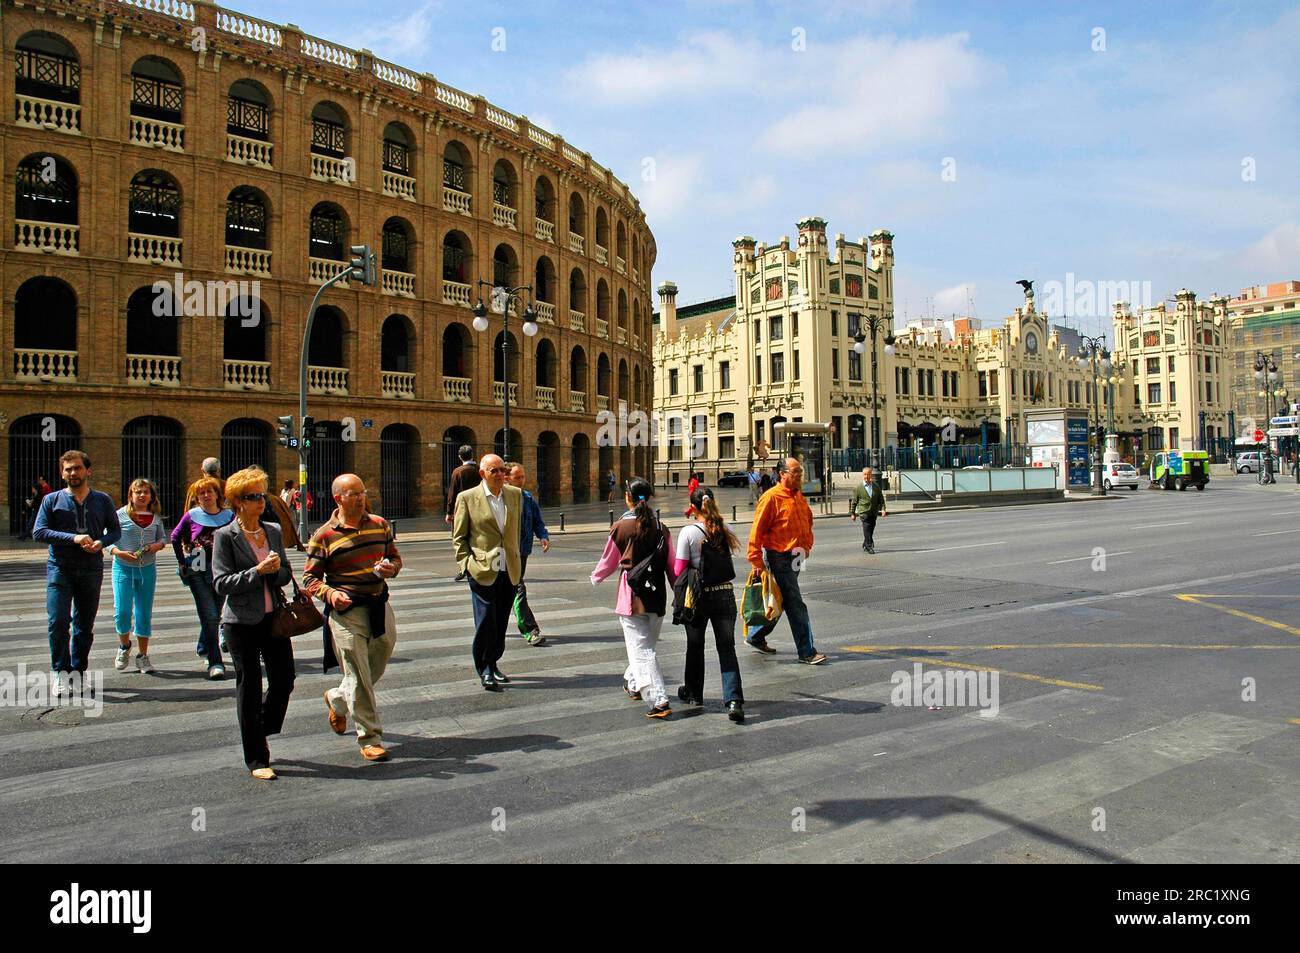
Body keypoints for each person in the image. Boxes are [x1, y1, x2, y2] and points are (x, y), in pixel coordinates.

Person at [303, 473, 401, 762]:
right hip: (347, 611)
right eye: (354, 494)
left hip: (378, 605)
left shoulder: (380, 525)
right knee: (358, 673)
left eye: (362, 492)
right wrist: (331, 595)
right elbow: (310, 578)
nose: (361, 498)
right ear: (339, 499)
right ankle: (370, 737)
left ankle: (336, 697)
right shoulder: (324, 535)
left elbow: (395, 558)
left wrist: (390, 569)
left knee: (378, 660)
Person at [212, 466, 295, 781]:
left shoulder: (272, 530)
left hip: (273, 617)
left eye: (262, 495)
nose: (260, 501)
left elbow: (286, 573)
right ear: (237, 502)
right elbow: (221, 583)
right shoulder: (225, 537)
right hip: (241, 623)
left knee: (285, 679)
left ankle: (261, 727)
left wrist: (274, 572)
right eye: (252, 497)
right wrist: (257, 572)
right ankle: (257, 758)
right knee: (250, 687)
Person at [33, 451, 121, 697]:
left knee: (84, 624)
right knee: (58, 620)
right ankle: (60, 672)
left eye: (77, 468)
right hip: (60, 567)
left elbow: (115, 531)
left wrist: (101, 543)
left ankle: (78, 672)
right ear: (62, 473)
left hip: (91, 568)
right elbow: (39, 532)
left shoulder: (102, 500)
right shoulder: (52, 500)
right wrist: (74, 538)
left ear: (88, 471)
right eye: (68, 469)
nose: (73, 473)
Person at [591, 477, 677, 719]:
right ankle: (632, 682)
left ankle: (658, 699)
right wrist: (678, 590)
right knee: (645, 645)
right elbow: (672, 565)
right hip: (657, 594)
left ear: (627, 497)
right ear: (649, 498)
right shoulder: (662, 527)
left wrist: (596, 577)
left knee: (641, 650)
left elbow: (609, 560)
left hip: (632, 596)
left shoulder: (621, 527)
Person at [744, 457, 827, 664]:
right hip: (778, 555)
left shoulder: (798, 496)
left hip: (797, 555)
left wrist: (806, 546)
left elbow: (808, 521)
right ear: (782, 474)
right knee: (795, 602)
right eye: (795, 471)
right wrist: (756, 561)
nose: (800, 475)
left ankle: (755, 636)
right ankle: (806, 651)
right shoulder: (770, 497)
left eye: (800, 471)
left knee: (782, 599)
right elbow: (757, 530)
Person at [674, 487, 744, 723]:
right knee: (727, 648)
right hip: (725, 594)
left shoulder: (688, 532)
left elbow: (678, 569)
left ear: (693, 507)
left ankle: (693, 693)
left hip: (698, 595)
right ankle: (734, 700)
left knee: (695, 646)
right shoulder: (726, 528)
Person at [452, 453, 522, 691]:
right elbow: (459, 537)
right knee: (485, 619)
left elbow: (516, 528)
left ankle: (493, 663)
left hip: (508, 567)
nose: (501, 474)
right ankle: (484, 668)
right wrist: (466, 565)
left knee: (501, 620)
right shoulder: (467, 498)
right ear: (483, 473)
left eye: (503, 470)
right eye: (495, 471)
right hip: (482, 569)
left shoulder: (515, 494)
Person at [172, 477, 234, 679]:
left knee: (214, 614)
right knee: (210, 616)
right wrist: (182, 562)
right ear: (197, 497)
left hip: (222, 571)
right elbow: (174, 536)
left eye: (210, 491)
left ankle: (203, 647)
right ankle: (215, 662)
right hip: (198, 570)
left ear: (217, 494)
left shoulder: (229, 516)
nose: (206, 495)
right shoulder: (192, 515)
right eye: (201, 493)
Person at [108, 479, 169, 674]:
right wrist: (118, 552)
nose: (142, 495)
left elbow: (163, 539)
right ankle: (124, 646)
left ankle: (143, 656)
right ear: (131, 495)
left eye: (146, 492)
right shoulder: (118, 515)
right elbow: (107, 539)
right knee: (122, 611)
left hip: (147, 568)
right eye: (138, 492)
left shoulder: (155, 517)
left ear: (151, 496)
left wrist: (155, 546)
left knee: (144, 612)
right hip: (123, 568)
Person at [507, 462, 550, 646]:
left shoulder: (527, 497)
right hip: (504, 553)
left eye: (523, 476)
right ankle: (530, 630)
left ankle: (491, 624)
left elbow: (537, 520)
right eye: (517, 477)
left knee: (511, 589)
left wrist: (543, 536)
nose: (521, 480)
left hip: (522, 550)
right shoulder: (500, 498)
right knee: (518, 589)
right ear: (507, 478)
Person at [849, 466, 887, 554]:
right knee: (866, 528)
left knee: (871, 528)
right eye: (865, 474)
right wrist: (853, 513)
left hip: (874, 512)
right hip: (863, 512)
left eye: (868, 474)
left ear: (871, 475)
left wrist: (884, 509)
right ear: (863, 475)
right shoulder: (858, 488)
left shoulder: (876, 486)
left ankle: (865, 543)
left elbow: (881, 499)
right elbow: (854, 501)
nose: (867, 476)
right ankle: (869, 546)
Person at [445, 445, 480, 526]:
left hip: (463, 507)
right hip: (478, 506)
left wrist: (449, 512)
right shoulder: (480, 470)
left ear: (460, 457)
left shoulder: (457, 472)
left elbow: (452, 493)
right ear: (472, 455)